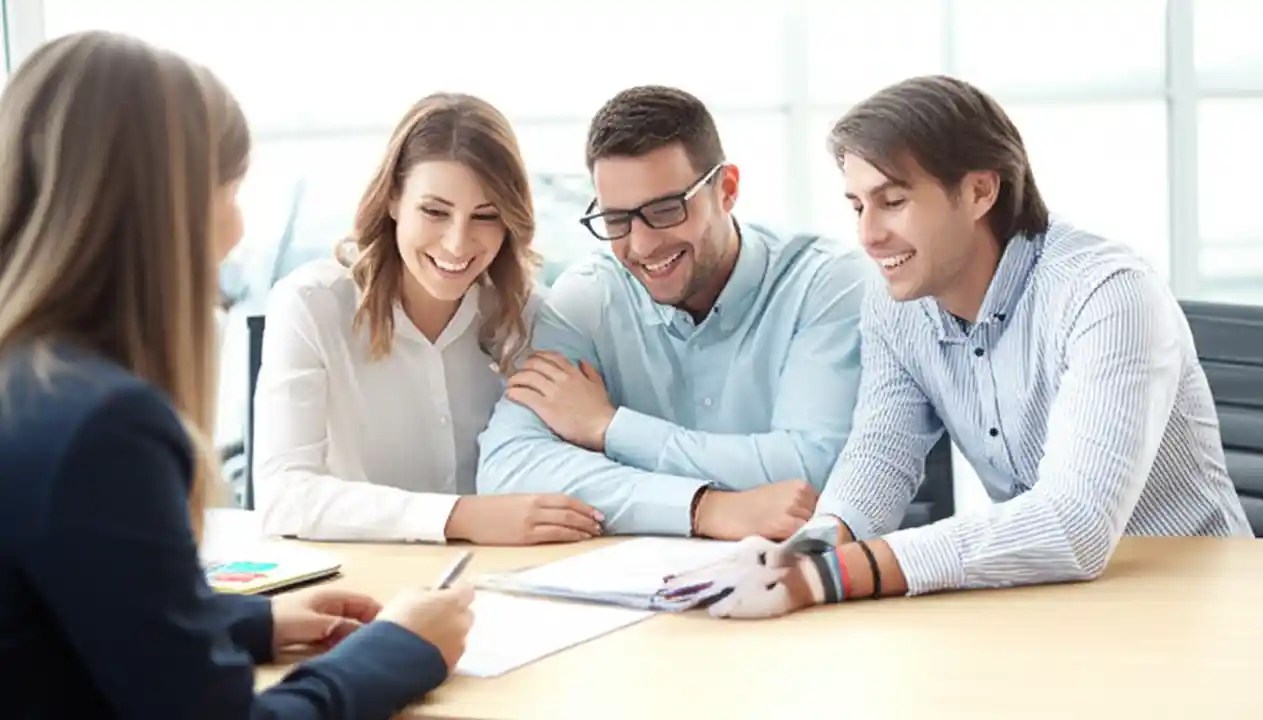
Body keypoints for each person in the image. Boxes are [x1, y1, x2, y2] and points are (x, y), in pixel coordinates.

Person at [0, 32, 473, 717]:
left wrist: (252, 622)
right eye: (229, 189)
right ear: (167, 207)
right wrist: (402, 647)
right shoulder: (102, 428)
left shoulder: (31, 391)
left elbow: (62, 612)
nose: (238, 227)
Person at [663, 75, 1253, 619]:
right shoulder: (898, 305)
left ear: (978, 192)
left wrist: (832, 577)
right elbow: (881, 455)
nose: (868, 235)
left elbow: (1074, 524)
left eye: (892, 202)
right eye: (857, 205)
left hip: (1199, 606)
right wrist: (801, 554)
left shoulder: (1105, 294)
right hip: (1057, 606)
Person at [477, 85, 869, 540]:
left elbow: (814, 468)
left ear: (727, 190)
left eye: (665, 210)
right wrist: (703, 508)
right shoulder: (589, 298)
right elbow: (509, 467)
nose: (642, 246)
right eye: (617, 220)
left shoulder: (825, 284)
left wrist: (609, 428)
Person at [253, 93, 604, 545]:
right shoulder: (311, 305)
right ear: (394, 199)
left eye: (485, 216)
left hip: (503, 574)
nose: (457, 244)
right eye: (435, 211)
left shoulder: (530, 315)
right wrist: (460, 517)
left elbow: (565, 467)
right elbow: (284, 497)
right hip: (362, 584)